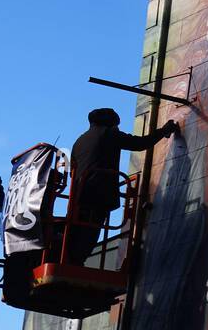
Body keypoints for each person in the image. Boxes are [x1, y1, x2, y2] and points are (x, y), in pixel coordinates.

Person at [66, 108, 177, 266]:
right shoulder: (108, 134)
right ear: (111, 124)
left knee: (77, 235)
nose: (118, 129)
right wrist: (164, 131)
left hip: (79, 197)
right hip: (98, 196)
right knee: (88, 235)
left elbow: (73, 171)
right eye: (116, 125)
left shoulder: (79, 141)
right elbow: (139, 143)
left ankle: (72, 261)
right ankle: (75, 263)